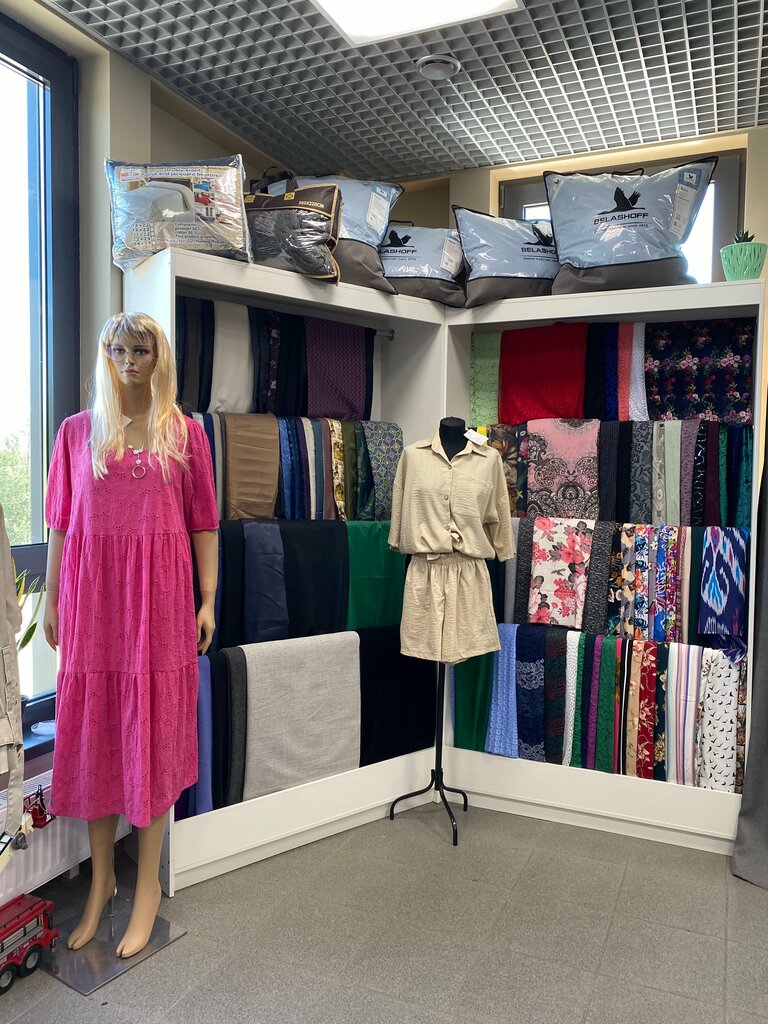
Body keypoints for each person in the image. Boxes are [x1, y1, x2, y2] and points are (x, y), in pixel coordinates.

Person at [43, 312, 219, 958]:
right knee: (96, 735)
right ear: (106, 354)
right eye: (119, 349)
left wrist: (207, 598)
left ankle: (147, 884)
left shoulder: (184, 434)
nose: (130, 361)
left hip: (160, 603)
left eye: (142, 350)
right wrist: (53, 599)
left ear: (158, 357)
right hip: (93, 603)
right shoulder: (75, 433)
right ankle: (101, 882)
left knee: (152, 734)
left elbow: (204, 522)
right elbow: (60, 523)